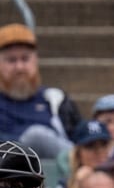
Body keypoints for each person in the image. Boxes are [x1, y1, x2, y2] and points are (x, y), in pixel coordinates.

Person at [0, 24, 81, 160]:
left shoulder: (56, 100)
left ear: (36, 60)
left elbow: (80, 141)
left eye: (25, 59)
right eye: (11, 60)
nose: (19, 67)